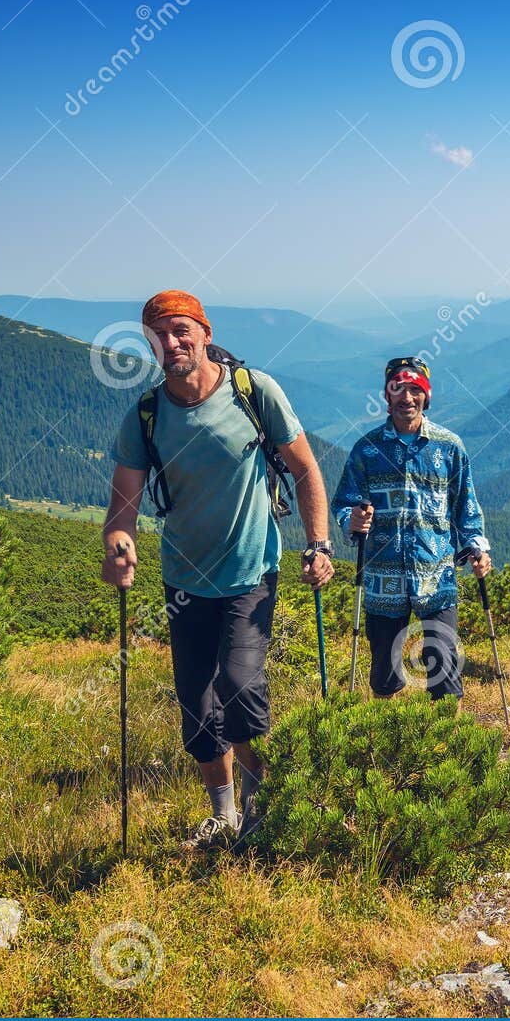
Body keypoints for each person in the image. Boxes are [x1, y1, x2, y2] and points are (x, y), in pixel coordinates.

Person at [101, 290, 335, 850]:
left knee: (239, 685)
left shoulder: (254, 393)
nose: (172, 343)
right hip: (183, 580)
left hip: (251, 572)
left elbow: (305, 470)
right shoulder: (147, 416)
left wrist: (319, 542)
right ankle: (223, 815)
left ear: (205, 334)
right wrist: (118, 548)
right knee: (197, 704)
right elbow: (121, 512)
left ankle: (260, 809)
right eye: (159, 335)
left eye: (182, 331)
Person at [332, 356, 491, 700]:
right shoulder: (367, 449)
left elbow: (466, 506)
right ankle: (389, 745)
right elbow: (345, 501)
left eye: (415, 389)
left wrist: (477, 547)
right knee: (384, 674)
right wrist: (351, 520)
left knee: (444, 667)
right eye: (398, 389)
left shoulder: (449, 447)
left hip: (436, 575)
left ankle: (449, 745)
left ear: (426, 396)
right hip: (382, 577)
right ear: (386, 397)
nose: (407, 397)